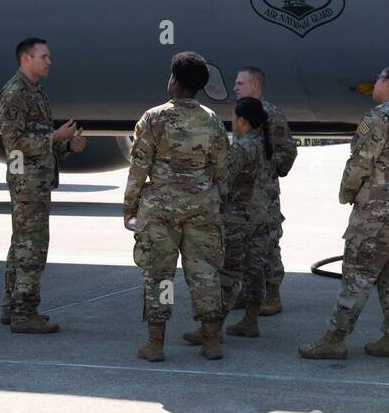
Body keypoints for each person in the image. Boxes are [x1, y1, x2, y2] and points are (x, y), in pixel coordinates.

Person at [299, 65, 389, 360]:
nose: (374, 85)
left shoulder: (380, 117)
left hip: (379, 209)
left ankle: (334, 338)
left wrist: (346, 193)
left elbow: (360, 163)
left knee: (357, 273)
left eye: (378, 80)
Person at [123, 52, 229, 362]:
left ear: (174, 81)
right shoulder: (212, 120)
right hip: (202, 208)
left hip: (161, 210)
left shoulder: (154, 118)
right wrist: (216, 203)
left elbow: (138, 167)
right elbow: (223, 169)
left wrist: (129, 206)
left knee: (161, 275)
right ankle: (211, 341)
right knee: (205, 273)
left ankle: (156, 344)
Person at [0, 37, 86, 333]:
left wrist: (67, 146)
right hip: (27, 185)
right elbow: (15, 143)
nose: (49, 61)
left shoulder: (36, 92)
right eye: (44, 56)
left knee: (21, 246)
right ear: (26, 59)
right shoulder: (14, 94)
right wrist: (55, 138)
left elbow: (40, 141)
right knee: (32, 248)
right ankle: (25, 313)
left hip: (37, 182)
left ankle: (13, 308)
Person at [183, 96, 275, 344]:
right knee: (255, 270)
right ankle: (251, 321)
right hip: (263, 216)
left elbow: (224, 182)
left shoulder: (242, 148)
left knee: (228, 273)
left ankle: (211, 329)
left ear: (243, 120)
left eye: (234, 117)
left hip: (240, 218)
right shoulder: (265, 145)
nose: (232, 121)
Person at [232, 66, 296, 315]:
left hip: (263, 192)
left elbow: (288, 150)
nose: (235, 87)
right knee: (244, 243)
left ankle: (272, 295)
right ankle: (249, 294)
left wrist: (272, 172)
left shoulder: (270, 114)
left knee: (267, 242)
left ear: (255, 86)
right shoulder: (241, 112)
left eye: (240, 83)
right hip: (243, 193)